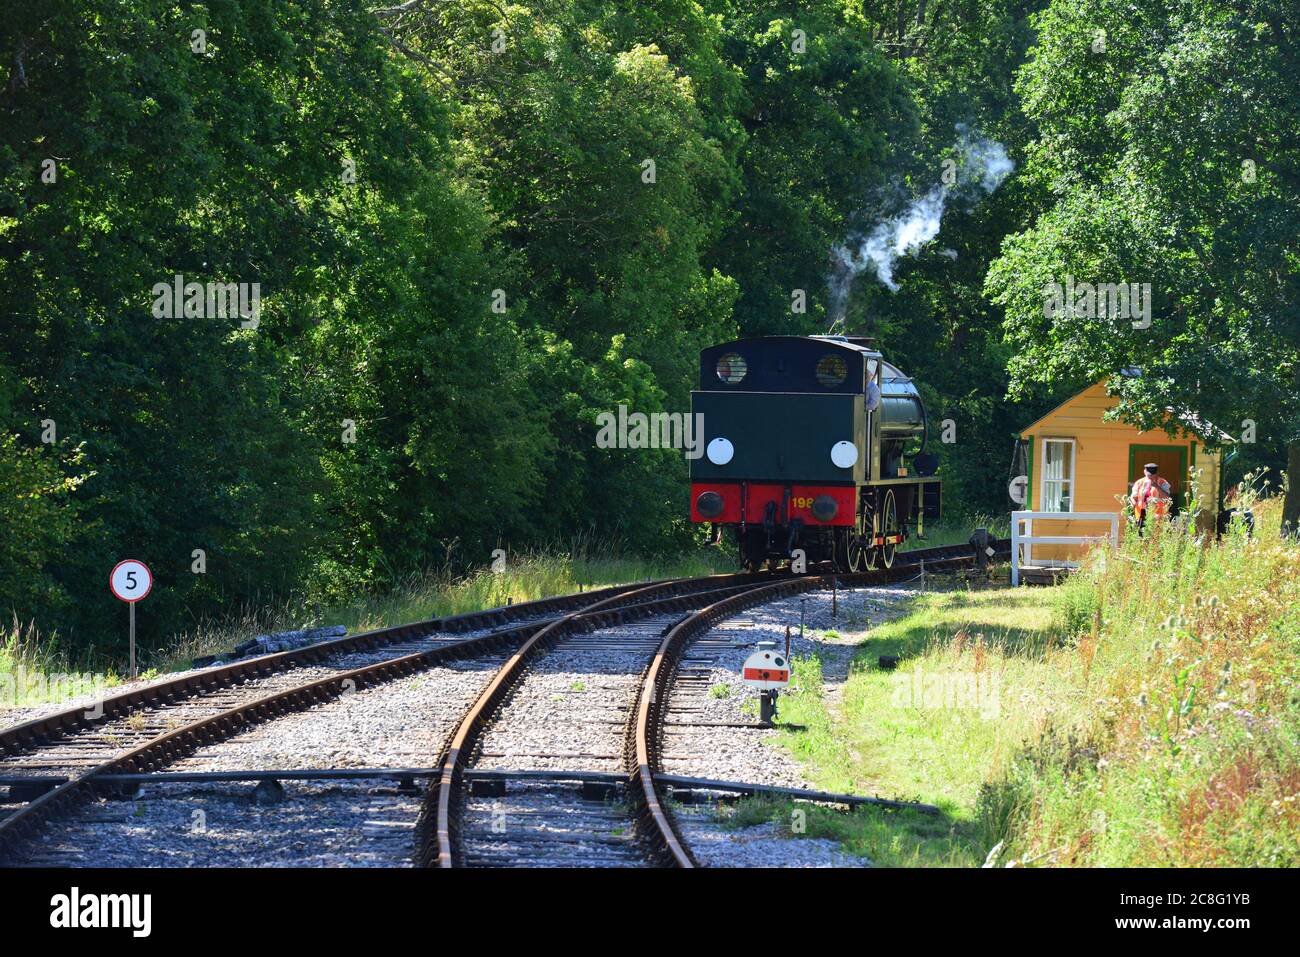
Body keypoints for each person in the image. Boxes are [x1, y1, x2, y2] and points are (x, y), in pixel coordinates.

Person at [1131, 463, 1172, 535]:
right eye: (1149, 475)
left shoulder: (1162, 482)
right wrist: (1133, 501)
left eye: (1153, 474)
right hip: (1141, 515)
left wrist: (1156, 486)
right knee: (1142, 538)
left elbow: (1167, 497)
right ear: (1144, 472)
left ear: (1157, 473)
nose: (1151, 476)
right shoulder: (1139, 482)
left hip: (1159, 516)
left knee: (1156, 539)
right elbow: (1133, 497)